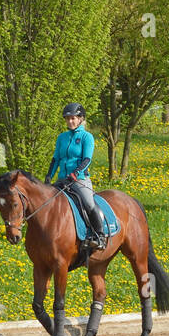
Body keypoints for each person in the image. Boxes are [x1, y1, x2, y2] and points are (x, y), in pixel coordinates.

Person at [47, 103, 108, 249]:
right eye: (67, 119)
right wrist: (49, 176)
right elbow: (56, 159)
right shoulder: (61, 137)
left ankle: (99, 235)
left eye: (73, 118)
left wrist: (76, 173)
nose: (70, 122)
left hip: (79, 179)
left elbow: (87, 159)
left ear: (80, 119)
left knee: (89, 203)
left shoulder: (87, 137)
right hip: (62, 179)